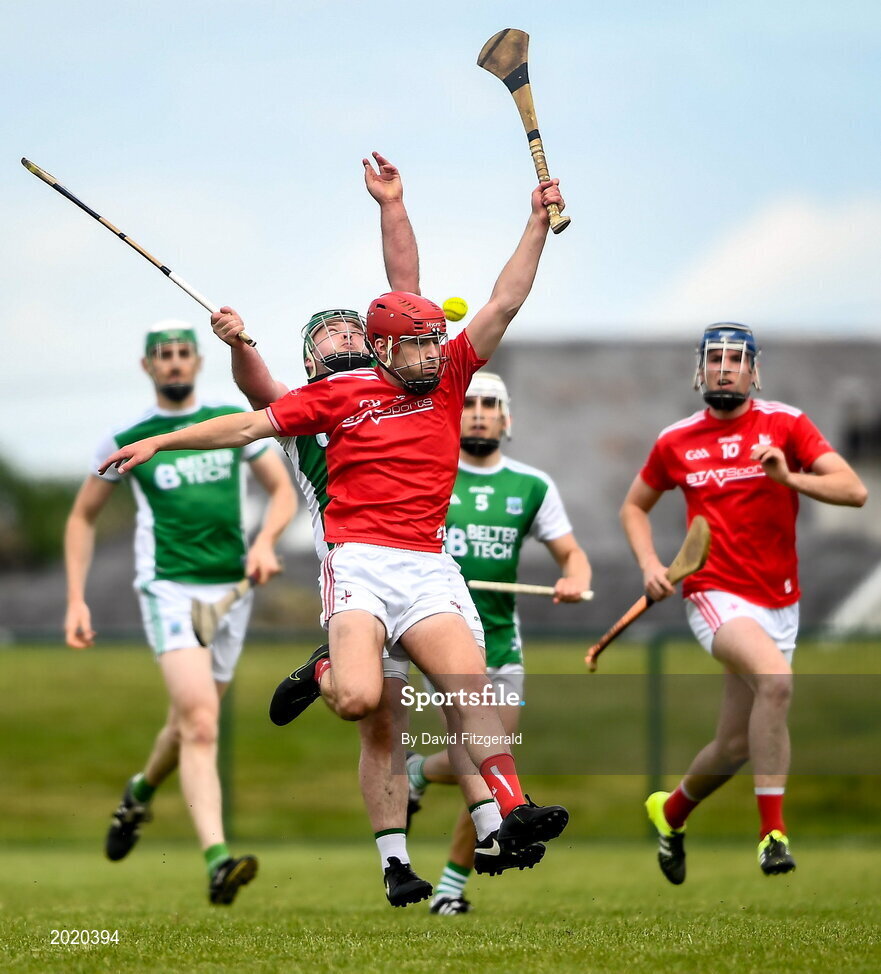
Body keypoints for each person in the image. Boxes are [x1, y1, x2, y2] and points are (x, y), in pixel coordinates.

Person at [99, 176, 573, 905]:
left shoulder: (445, 372)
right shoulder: (326, 399)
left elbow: (493, 299)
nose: (429, 351)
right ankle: (329, 676)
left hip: (427, 564)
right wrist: (168, 433)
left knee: (467, 687)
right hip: (357, 566)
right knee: (361, 705)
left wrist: (524, 221)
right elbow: (249, 417)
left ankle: (510, 811)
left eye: (425, 341)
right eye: (336, 335)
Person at [619, 322, 867, 884]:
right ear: (699, 370)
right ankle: (772, 835)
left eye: (736, 359)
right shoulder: (676, 440)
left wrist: (788, 477)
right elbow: (634, 507)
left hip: (779, 601)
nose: (725, 368)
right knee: (775, 683)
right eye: (715, 359)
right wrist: (651, 565)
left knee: (733, 747)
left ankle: (671, 812)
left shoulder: (787, 424)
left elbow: (854, 491)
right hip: (715, 594)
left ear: (754, 371)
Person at [64, 321, 296, 905]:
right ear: (148, 366)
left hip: (232, 592)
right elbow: (82, 517)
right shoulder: (128, 436)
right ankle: (218, 861)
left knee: (187, 724)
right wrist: (75, 598)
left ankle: (138, 794)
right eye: (162, 355)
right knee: (200, 723)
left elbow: (283, 492)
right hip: (169, 589)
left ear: (197, 362)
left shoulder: (226, 422)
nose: (172, 362)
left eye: (181, 353)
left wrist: (267, 541)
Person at [406, 369, 591, 915]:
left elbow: (572, 554)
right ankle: (451, 890)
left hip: (503, 643)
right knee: (482, 756)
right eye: (470, 403)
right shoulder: (430, 471)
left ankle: (417, 772)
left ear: (506, 419)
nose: (480, 414)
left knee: (491, 755)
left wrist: (574, 577)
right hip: (442, 635)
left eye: (490, 405)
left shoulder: (532, 486)